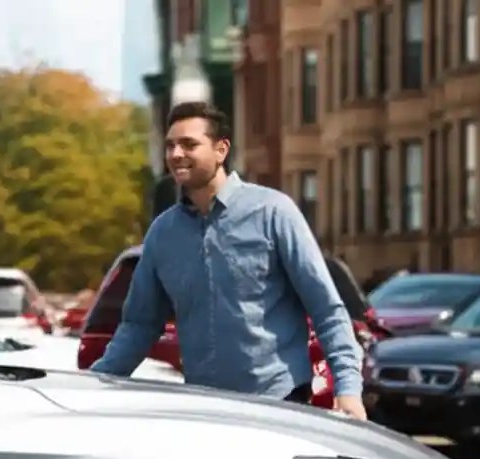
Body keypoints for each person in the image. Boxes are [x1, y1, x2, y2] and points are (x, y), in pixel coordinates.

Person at [90, 101, 366, 420]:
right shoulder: (163, 234)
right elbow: (139, 326)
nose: (176, 154)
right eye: (170, 146)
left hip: (279, 405)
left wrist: (348, 390)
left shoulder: (273, 212)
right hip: (205, 412)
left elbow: (327, 311)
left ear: (221, 150)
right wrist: (97, 386)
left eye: (189, 144)